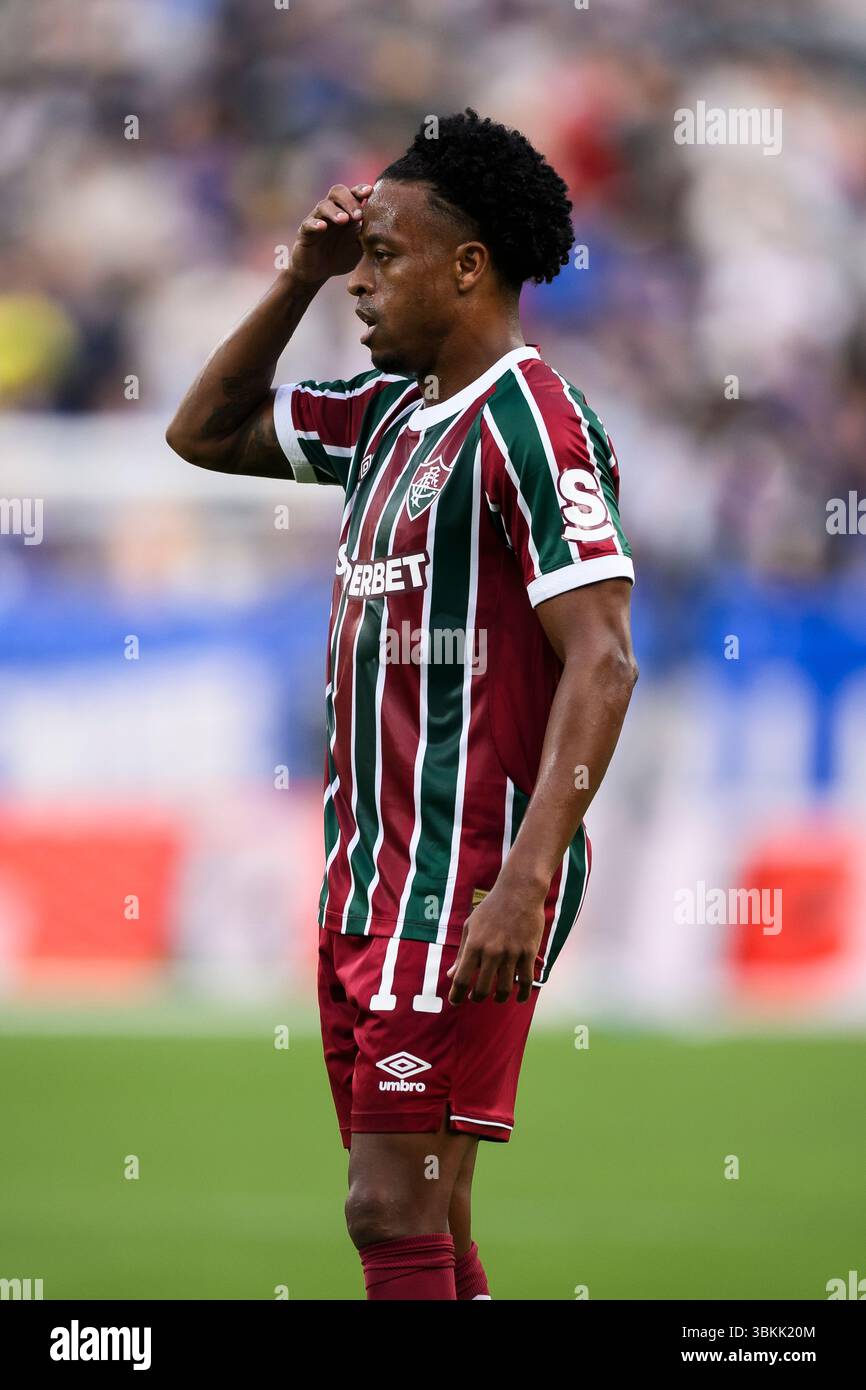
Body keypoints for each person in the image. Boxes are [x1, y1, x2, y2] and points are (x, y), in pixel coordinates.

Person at [167, 108, 638, 1301]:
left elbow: (603, 659)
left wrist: (523, 880)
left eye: (381, 257)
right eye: (355, 259)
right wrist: (295, 278)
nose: (359, 286)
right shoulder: (384, 417)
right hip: (365, 884)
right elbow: (203, 431)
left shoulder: (534, 421)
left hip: (467, 877)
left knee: (385, 1206)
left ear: (467, 267)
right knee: (427, 1205)